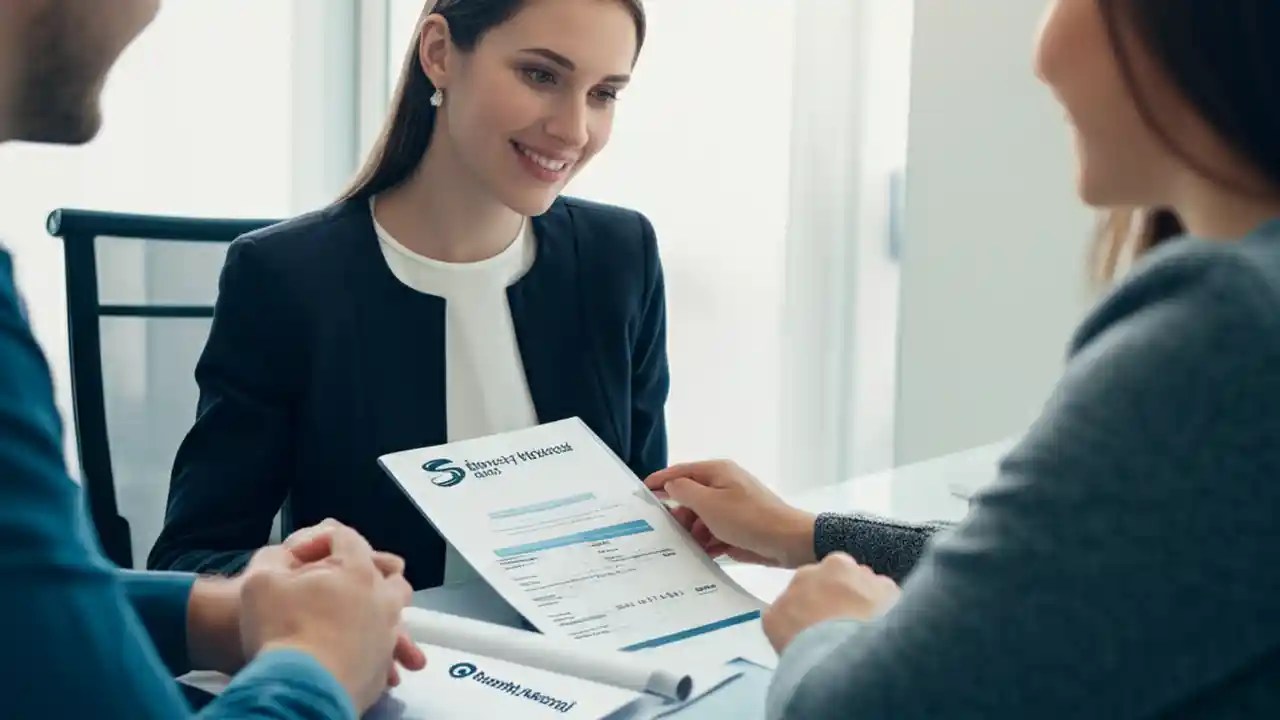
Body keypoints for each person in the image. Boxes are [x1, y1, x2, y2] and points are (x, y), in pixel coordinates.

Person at [648, 0, 1280, 717]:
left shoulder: (1228, 334)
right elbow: (1077, 573)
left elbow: (867, 708)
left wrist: (829, 635)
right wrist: (809, 535)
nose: (1041, 56)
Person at [148, 0, 667, 591]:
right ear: (440, 53)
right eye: (541, 75)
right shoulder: (285, 276)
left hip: (591, 668)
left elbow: (643, 519)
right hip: (390, 666)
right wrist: (304, 588)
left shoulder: (619, 255)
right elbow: (191, 558)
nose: (574, 130)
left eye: (604, 94)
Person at [0, 0, 424, 717]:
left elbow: (18, 601)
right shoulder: (290, 270)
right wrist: (313, 666)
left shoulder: (613, 255)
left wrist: (218, 615)